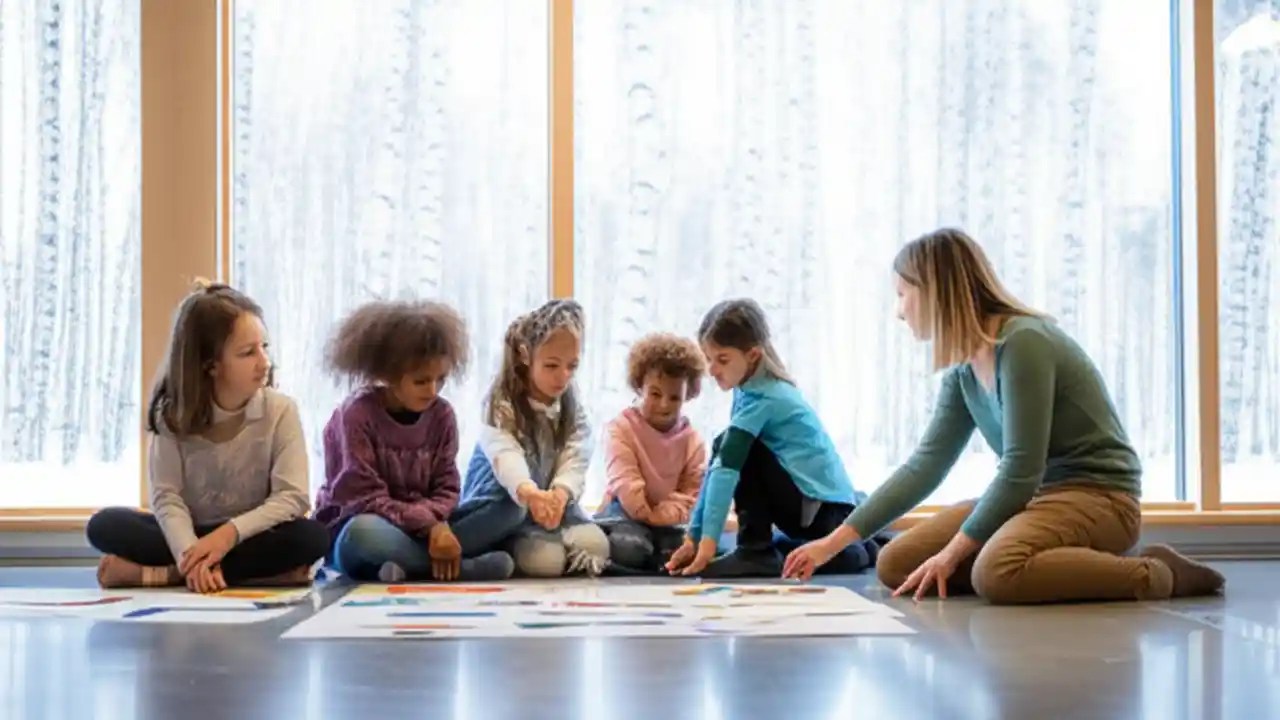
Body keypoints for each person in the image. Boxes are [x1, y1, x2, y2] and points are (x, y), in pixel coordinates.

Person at [783, 228, 1226, 603]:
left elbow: (1021, 468)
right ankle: (1049, 563)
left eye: (903, 294)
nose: (899, 311)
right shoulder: (963, 372)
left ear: (936, 291)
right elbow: (924, 466)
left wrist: (955, 553)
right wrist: (833, 542)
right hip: (1034, 502)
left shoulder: (1024, 344)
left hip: (1100, 498)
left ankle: (1156, 573)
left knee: (996, 573)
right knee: (897, 562)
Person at [86, 282, 327, 592]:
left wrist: (226, 537)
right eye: (247, 353)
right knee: (105, 526)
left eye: (264, 347)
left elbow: (291, 497)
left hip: (250, 534)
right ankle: (243, 573)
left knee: (312, 536)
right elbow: (167, 498)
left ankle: (167, 575)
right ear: (210, 365)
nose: (264, 361)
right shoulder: (171, 415)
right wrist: (191, 552)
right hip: (192, 534)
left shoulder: (281, 410)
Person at [666, 299, 877, 578]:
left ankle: (756, 552)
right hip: (811, 513)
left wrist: (708, 547)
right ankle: (861, 547)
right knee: (726, 443)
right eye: (708, 359)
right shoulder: (748, 390)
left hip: (824, 512)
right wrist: (693, 539)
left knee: (744, 450)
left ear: (752, 356)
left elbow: (727, 471)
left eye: (722, 359)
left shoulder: (767, 396)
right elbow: (718, 463)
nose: (712, 370)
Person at [313, 300, 515, 583]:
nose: (433, 390)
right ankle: (461, 568)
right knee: (361, 536)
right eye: (421, 381)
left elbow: (447, 487)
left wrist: (436, 524)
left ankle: (406, 565)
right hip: (367, 523)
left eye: (441, 379)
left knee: (511, 506)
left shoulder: (442, 415)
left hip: (424, 527)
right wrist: (431, 527)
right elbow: (363, 498)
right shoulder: (355, 415)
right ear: (387, 376)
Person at [449, 299, 610, 577]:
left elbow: (576, 454)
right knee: (544, 562)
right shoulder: (502, 404)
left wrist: (561, 492)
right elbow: (505, 454)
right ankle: (507, 540)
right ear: (526, 355)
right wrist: (529, 492)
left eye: (572, 366)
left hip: (550, 500)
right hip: (507, 499)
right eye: (551, 366)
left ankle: (549, 536)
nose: (563, 377)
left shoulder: (571, 406)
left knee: (596, 547)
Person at [596, 332, 708, 572]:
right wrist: (645, 514)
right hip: (625, 509)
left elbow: (691, 493)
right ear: (640, 386)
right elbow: (625, 480)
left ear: (688, 395)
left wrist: (663, 516)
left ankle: (657, 555)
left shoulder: (693, 441)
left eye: (675, 397)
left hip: (668, 519)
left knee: (686, 549)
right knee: (630, 548)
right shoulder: (621, 428)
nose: (664, 405)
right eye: (655, 394)